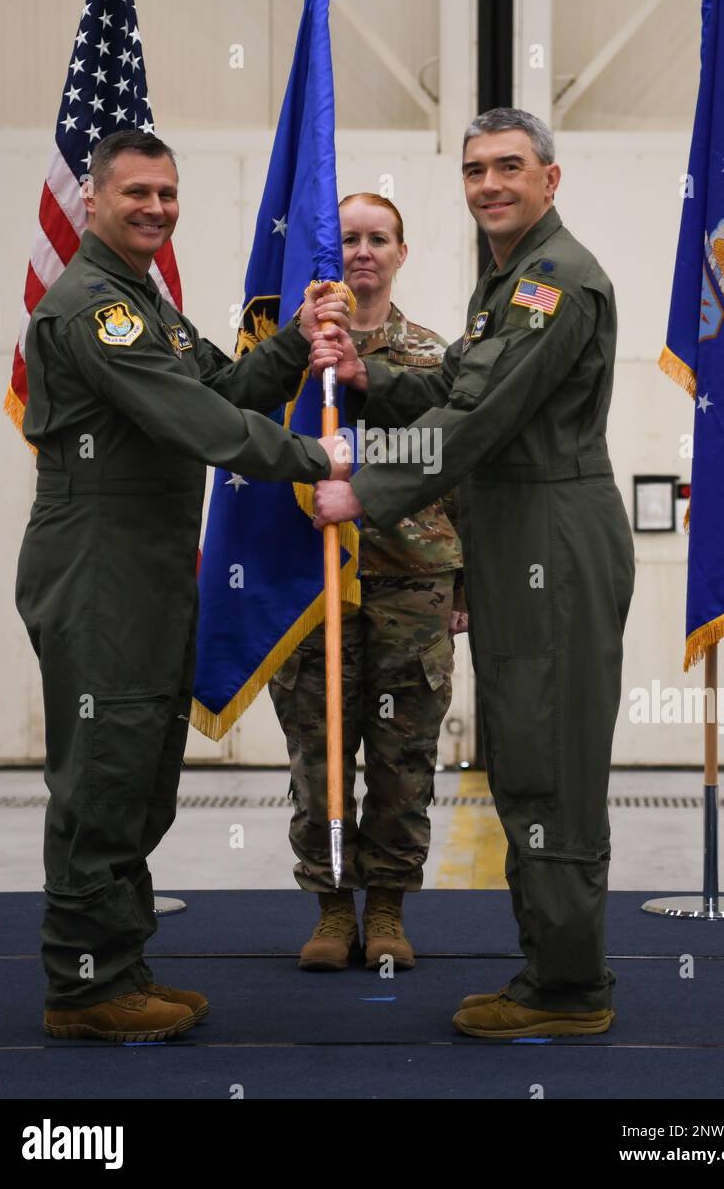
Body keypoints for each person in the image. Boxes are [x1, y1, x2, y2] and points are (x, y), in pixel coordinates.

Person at [16, 129, 352, 1044]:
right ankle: (84, 988)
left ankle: (118, 966)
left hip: (149, 572)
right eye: (136, 193)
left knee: (140, 780)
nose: (156, 208)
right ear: (93, 200)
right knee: (103, 784)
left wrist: (296, 340)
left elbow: (229, 382)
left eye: (167, 193)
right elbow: (201, 419)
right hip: (100, 570)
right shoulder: (95, 308)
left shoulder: (147, 301)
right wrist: (313, 457)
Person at [310, 108, 636, 1038]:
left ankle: (569, 991)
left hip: (553, 538)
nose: (489, 185)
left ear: (550, 179)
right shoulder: (508, 283)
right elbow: (457, 392)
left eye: (509, 168)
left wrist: (362, 492)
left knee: (549, 768)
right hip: (518, 537)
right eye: (474, 171)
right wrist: (378, 386)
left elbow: (479, 418)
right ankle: (550, 972)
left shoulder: (555, 284)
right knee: (527, 758)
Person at [269, 193, 465, 972]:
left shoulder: (436, 357)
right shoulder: (290, 355)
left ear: (401, 252)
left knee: (402, 755)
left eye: (378, 238)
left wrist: (469, 587)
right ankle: (328, 906)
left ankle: (385, 907)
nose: (363, 252)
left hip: (413, 578)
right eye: (348, 238)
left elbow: (463, 466)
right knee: (318, 753)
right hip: (313, 583)